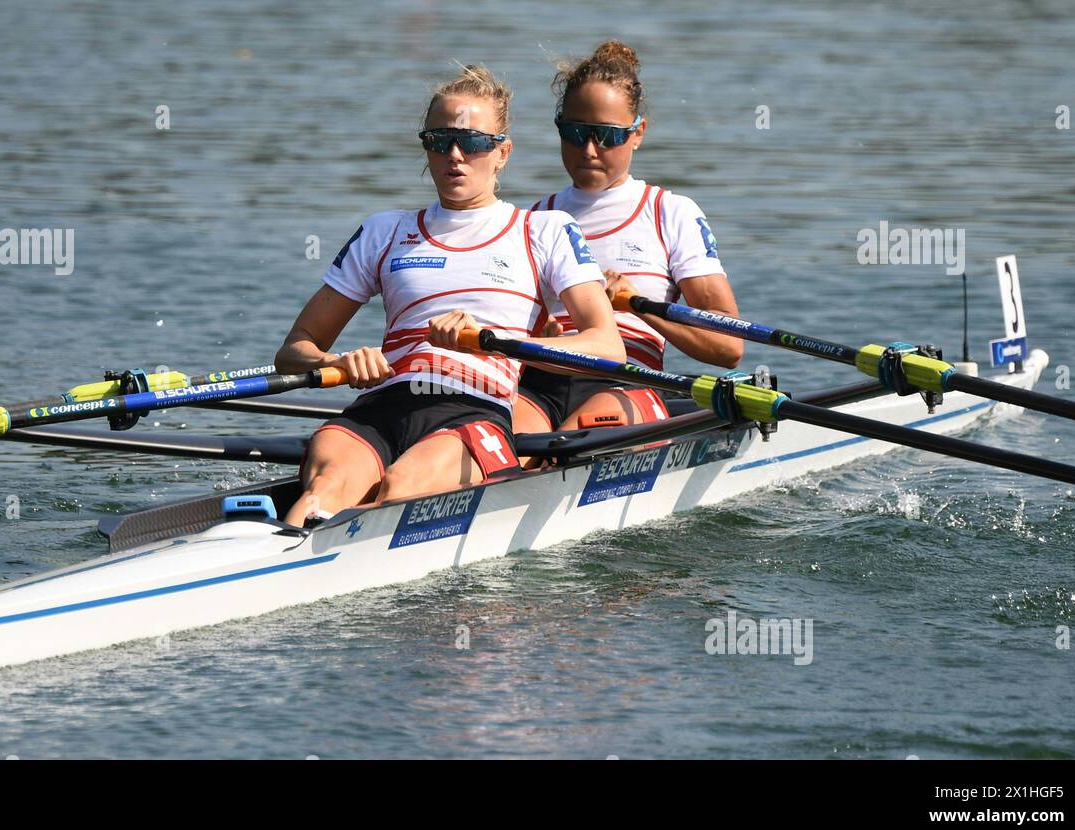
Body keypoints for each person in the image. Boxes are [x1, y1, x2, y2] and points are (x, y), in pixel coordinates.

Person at [275, 64, 625, 527]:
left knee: (401, 488)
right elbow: (292, 351)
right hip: (383, 403)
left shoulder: (544, 231)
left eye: (473, 142)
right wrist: (336, 361)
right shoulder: (384, 230)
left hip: (472, 409)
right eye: (439, 141)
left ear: (502, 153)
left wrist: (492, 341)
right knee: (322, 493)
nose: (454, 155)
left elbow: (608, 347)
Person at [513, 41, 743, 440]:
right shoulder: (533, 220)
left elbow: (728, 348)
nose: (589, 150)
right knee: (512, 439)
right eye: (575, 132)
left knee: (580, 436)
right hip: (540, 382)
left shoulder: (669, 213)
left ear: (637, 133)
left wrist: (639, 306)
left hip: (628, 381)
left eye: (607, 136)